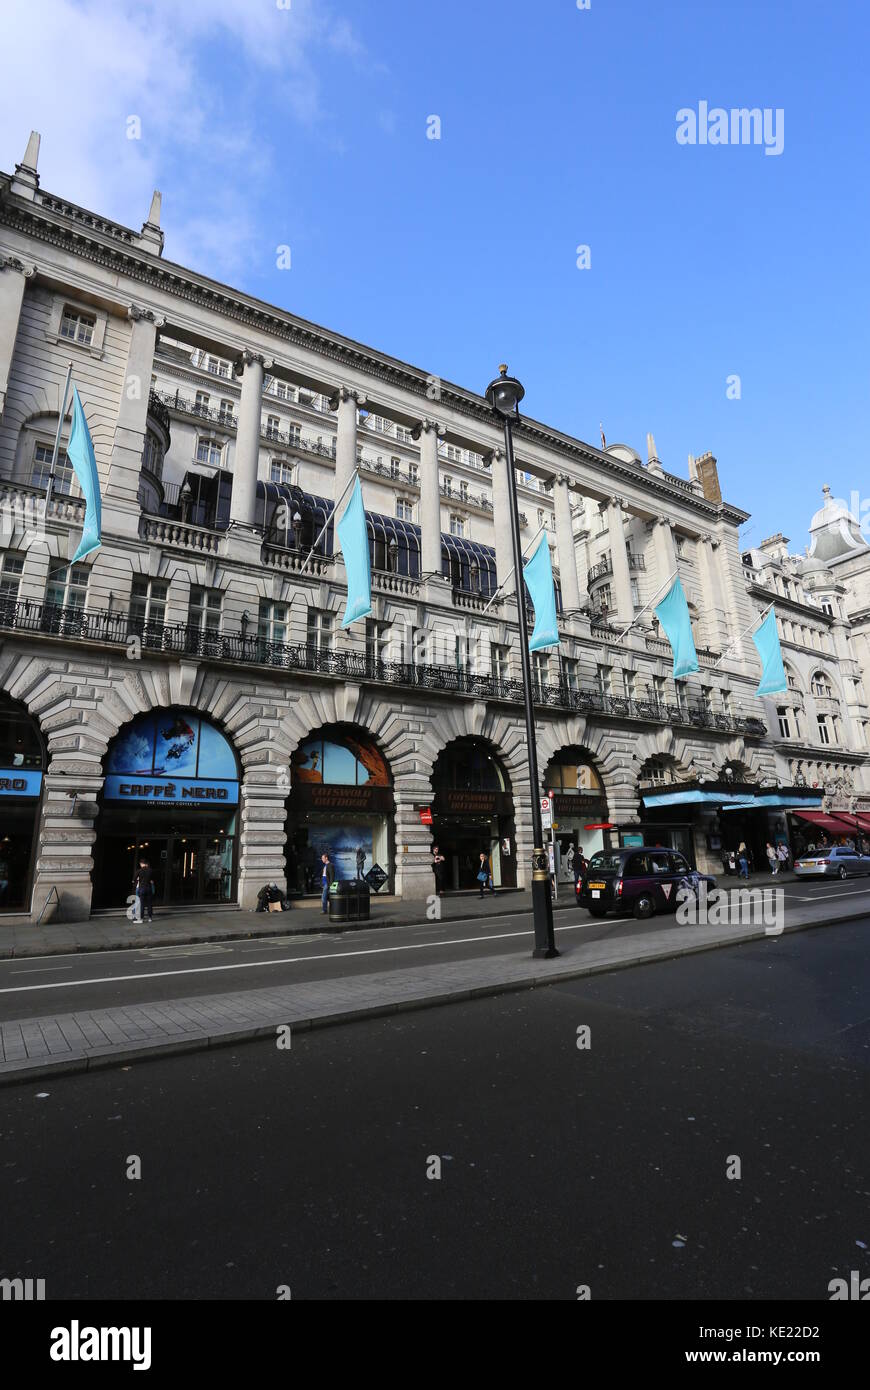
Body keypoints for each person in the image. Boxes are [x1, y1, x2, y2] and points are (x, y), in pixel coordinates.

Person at [133, 858, 154, 923]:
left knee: (142, 904)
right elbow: (152, 880)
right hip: (149, 888)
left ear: (141, 864)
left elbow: (134, 880)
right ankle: (150, 918)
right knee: (149, 904)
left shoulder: (139, 871)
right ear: (146, 863)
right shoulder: (150, 870)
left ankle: (141, 918)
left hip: (142, 889)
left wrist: (136, 881)